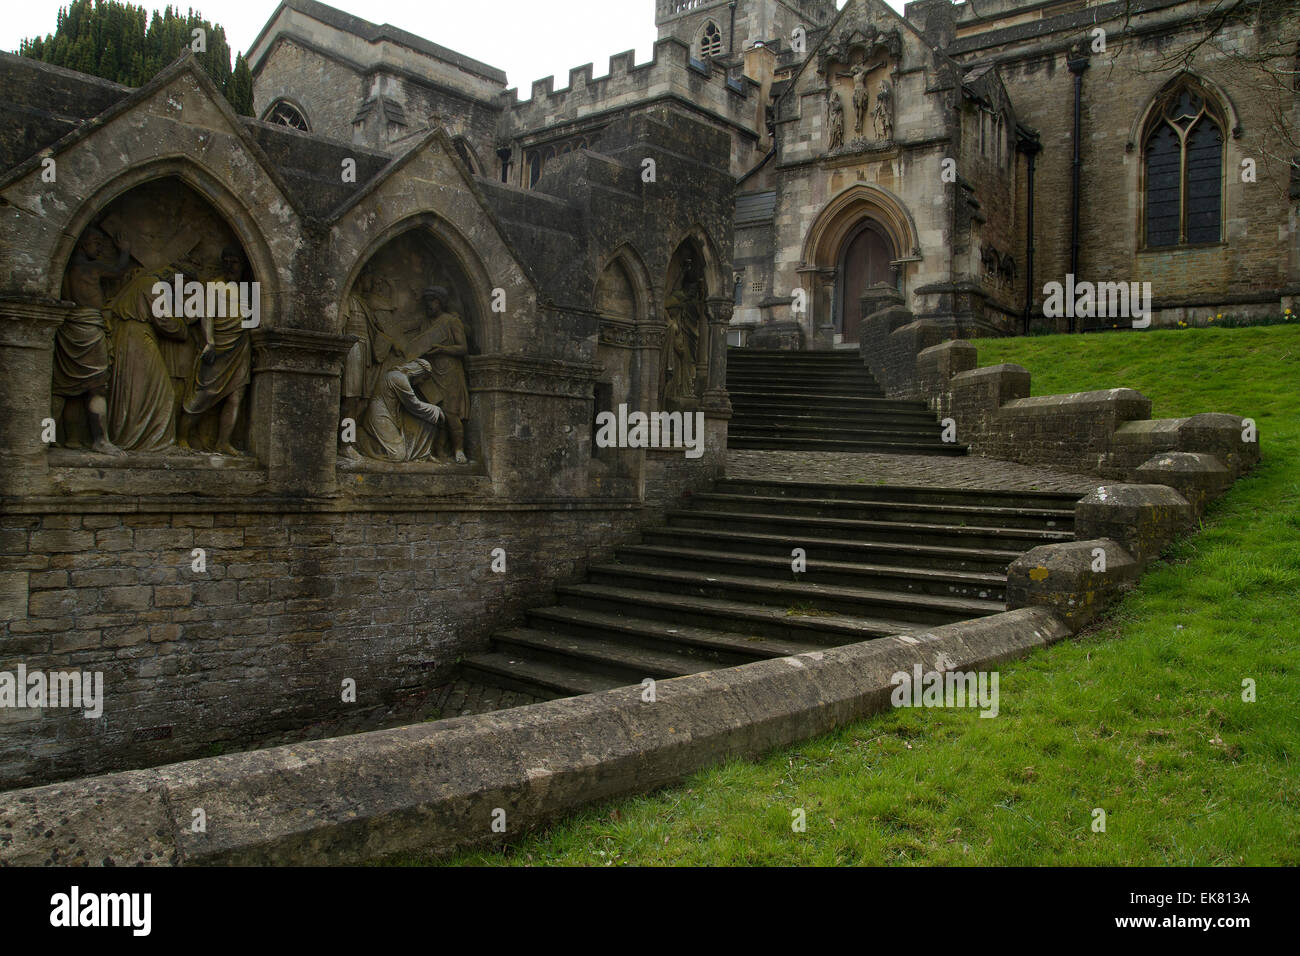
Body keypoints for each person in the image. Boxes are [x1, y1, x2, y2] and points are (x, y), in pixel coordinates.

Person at [56, 227, 131, 455]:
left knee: (61, 389)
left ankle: (47, 437)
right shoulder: (91, 268)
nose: (99, 248)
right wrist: (125, 251)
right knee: (97, 387)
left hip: (67, 330)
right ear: (81, 244)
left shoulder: (63, 270)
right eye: (95, 242)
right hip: (88, 328)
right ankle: (100, 440)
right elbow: (118, 271)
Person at [179, 247, 251, 456]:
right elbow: (207, 315)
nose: (230, 266)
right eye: (226, 261)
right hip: (218, 347)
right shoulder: (215, 287)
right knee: (203, 395)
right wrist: (209, 341)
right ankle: (182, 437)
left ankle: (223, 442)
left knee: (235, 397)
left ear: (242, 265)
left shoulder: (247, 291)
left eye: (234, 261)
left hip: (240, 348)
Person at [403, 286, 470, 463]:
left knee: (451, 413)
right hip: (431, 373)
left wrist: (443, 349)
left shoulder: (451, 321)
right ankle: (437, 451)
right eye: (427, 302)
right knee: (434, 413)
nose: (429, 305)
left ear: (440, 302)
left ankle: (459, 450)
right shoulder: (425, 324)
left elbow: (463, 348)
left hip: (450, 373)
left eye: (432, 301)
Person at [357, 359, 445, 462]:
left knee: (426, 421)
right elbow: (413, 404)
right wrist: (436, 410)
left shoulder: (396, 375)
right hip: (380, 415)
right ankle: (359, 437)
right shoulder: (399, 378)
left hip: (391, 414)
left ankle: (422, 453)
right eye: (423, 378)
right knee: (397, 455)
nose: (421, 382)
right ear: (418, 372)